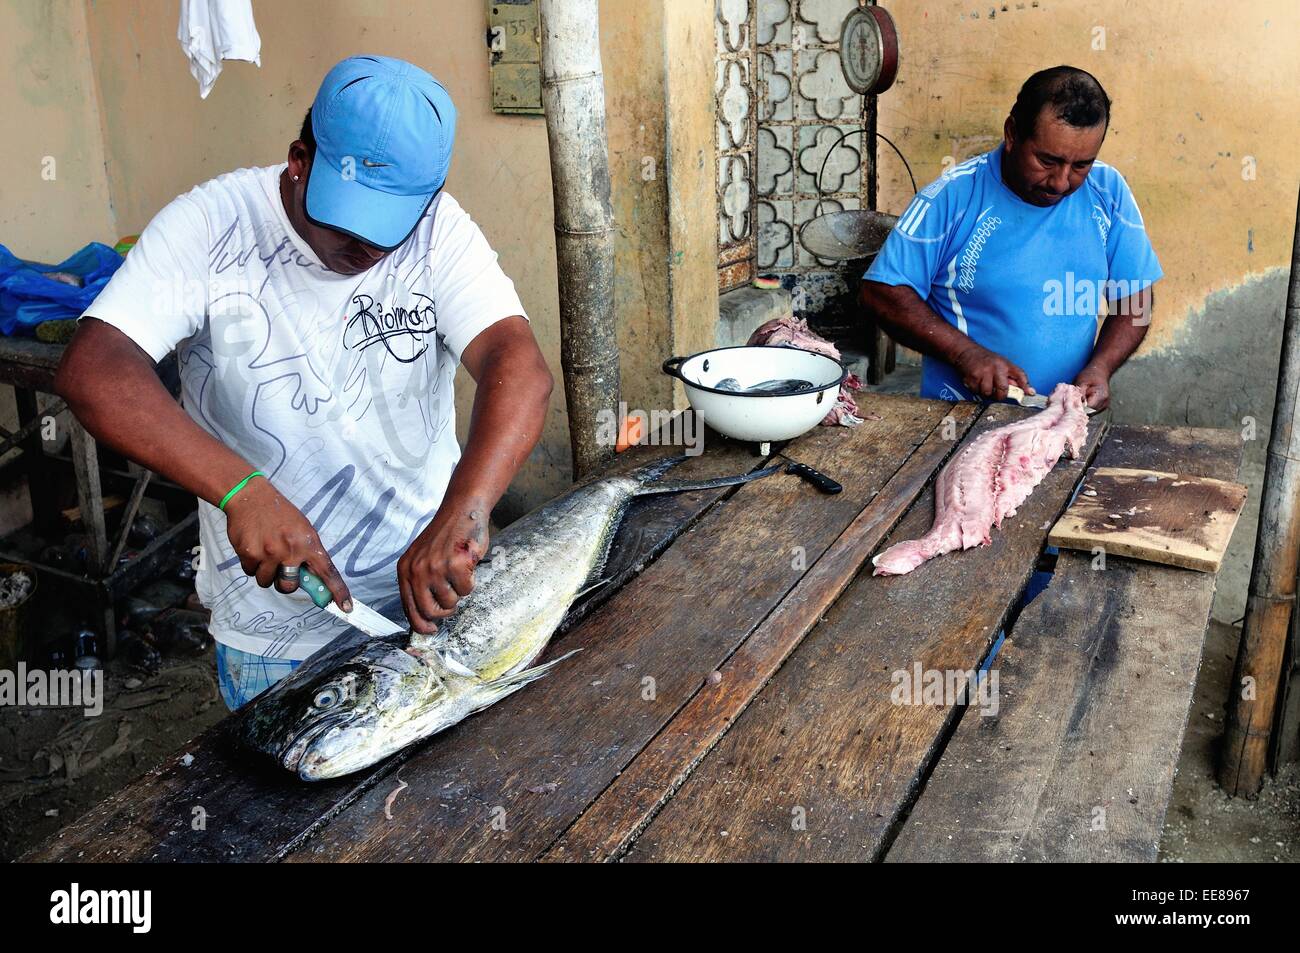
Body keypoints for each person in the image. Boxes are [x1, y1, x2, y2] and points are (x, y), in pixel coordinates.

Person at [55, 55, 553, 709]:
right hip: (274, 641)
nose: (366, 250)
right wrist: (240, 489)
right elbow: (94, 368)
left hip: (431, 613)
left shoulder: (439, 230)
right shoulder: (210, 226)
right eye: (346, 223)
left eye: (387, 233)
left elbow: (518, 368)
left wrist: (464, 510)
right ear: (300, 159)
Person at [861, 65, 1162, 409]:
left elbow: (1135, 300)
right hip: (959, 418)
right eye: (1047, 160)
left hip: (1062, 421)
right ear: (1012, 133)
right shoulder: (951, 197)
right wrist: (965, 354)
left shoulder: (1109, 191)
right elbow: (882, 292)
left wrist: (1101, 367)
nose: (1062, 182)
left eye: (1081, 165)